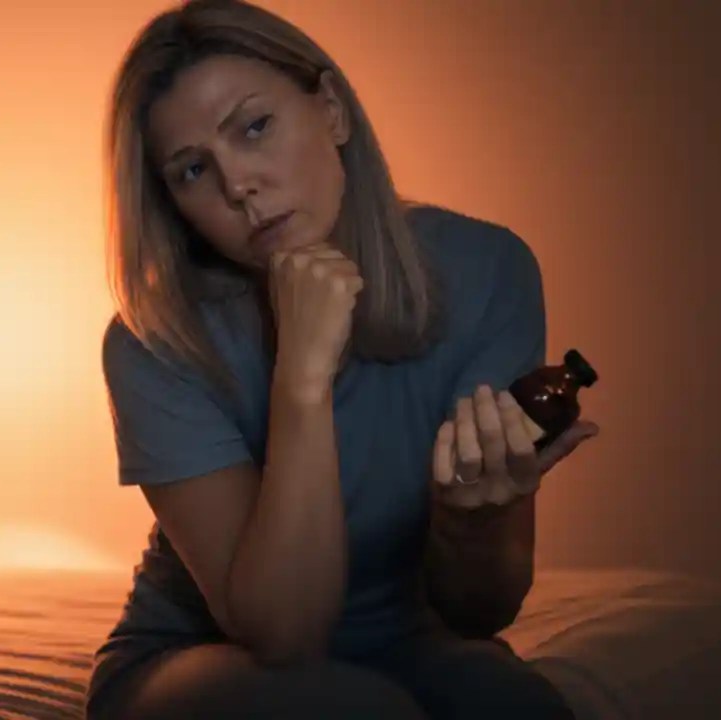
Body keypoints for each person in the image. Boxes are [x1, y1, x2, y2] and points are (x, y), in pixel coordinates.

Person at [86, 1, 601, 718]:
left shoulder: (488, 270)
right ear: (172, 204)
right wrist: (301, 374)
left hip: (413, 639)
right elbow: (283, 634)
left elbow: (482, 613)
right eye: (193, 170)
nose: (238, 185)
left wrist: (475, 520)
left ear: (330, 110)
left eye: (255, 127)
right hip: (197, 659)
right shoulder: (154, 341)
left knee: (514, 703)